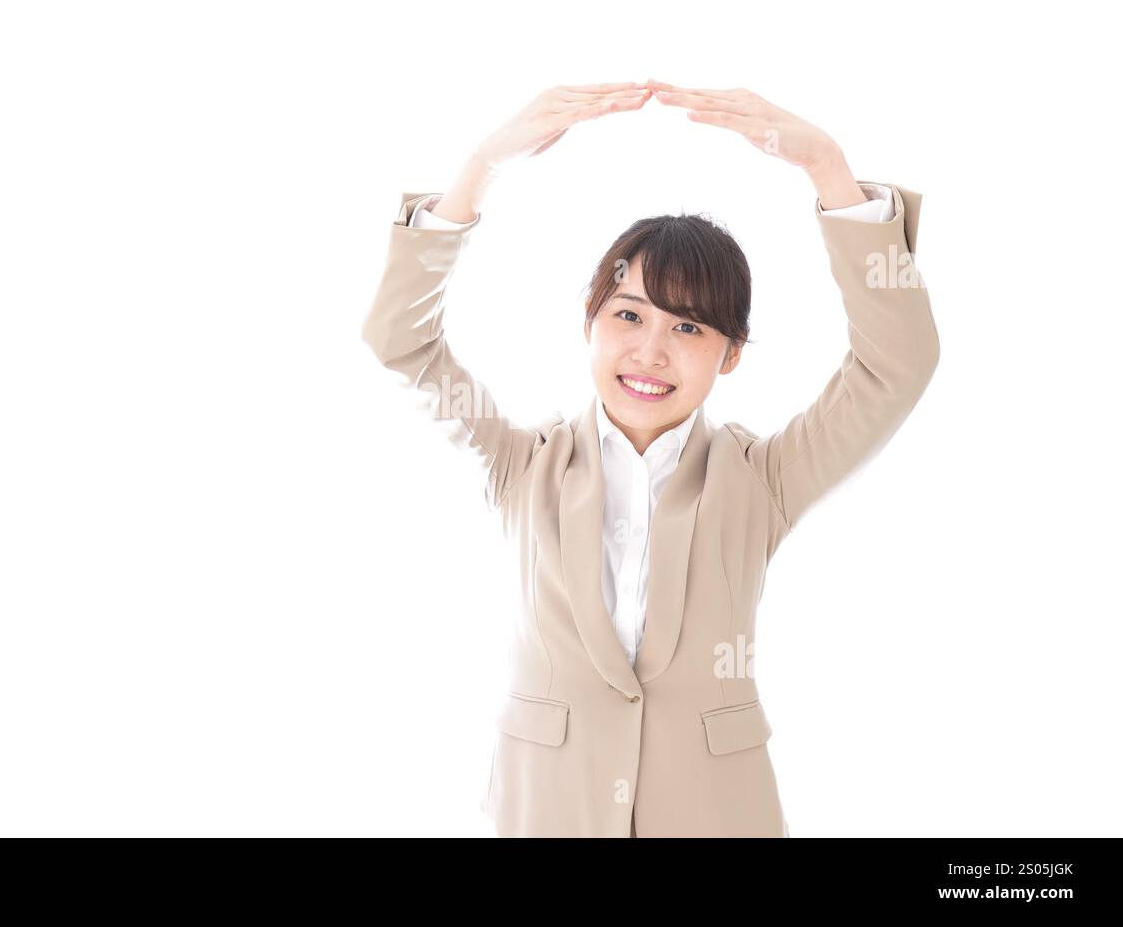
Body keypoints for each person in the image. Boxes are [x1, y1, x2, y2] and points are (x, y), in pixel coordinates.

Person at [361, 80, 939, 837]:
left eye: (690, 330)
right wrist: (481, 170)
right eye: (628, 314)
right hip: (549, 812)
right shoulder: (519, 465)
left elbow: (896, 363)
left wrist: (827, 169)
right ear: (591, 322)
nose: (650, 352)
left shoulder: (761, 483)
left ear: (730, 355)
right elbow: (401, 343)